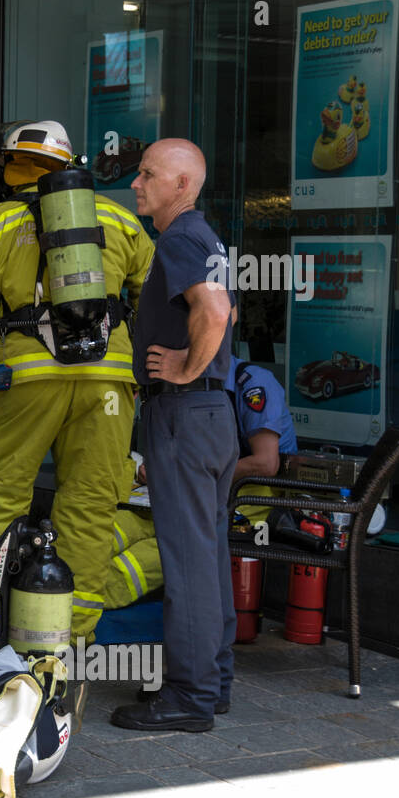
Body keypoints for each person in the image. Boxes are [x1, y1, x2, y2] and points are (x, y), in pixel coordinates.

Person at [0, 120, 155, 645]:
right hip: (108, 381)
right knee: (90, 503)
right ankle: (73, 631)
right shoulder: (120, 219)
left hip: (27, 380)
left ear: (12, 167)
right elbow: (154, 297)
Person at [109, 138, 236, 734]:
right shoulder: (204, 236)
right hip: (210, 417)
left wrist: (186, 368)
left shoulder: (181, 237)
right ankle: (213, 682)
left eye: (148, 174)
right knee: (207, 556)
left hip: (185, 414)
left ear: (182, 185)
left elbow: (214, 311)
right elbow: (222, 310)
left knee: (186, 561)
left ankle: (188, 698)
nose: (137, 183)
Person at [104, 354, 299, 611]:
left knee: (176, 540)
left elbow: (265, 464)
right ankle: (68, 574)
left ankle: (96, 594)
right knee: (120, 525)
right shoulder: (182, 383)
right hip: (198, 483)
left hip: (252, 491)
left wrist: (189, 474)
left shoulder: (252, 383)